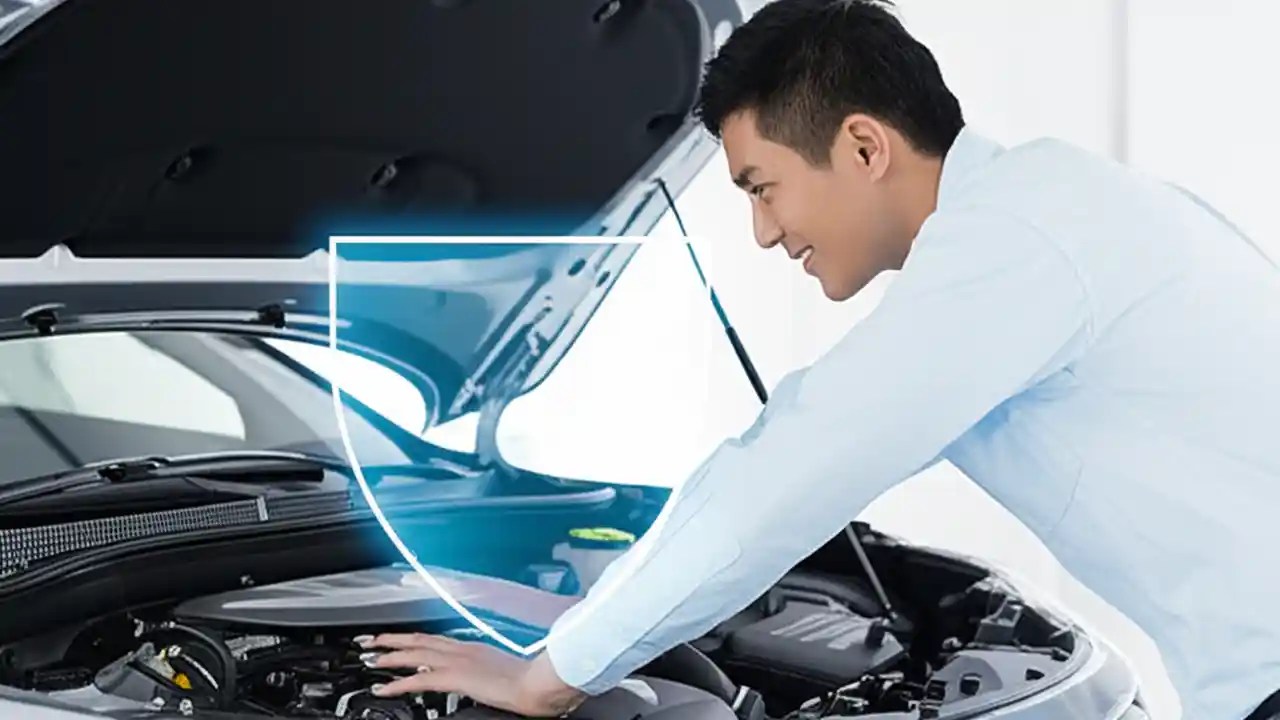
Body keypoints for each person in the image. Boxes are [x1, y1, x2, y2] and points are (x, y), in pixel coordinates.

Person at [352, 1, 1280, 718]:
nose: (763, 232)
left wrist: (551, 674)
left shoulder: (1018, 246)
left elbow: (791, 465)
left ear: (864, 146)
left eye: (762, 188)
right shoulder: (1061, 204)